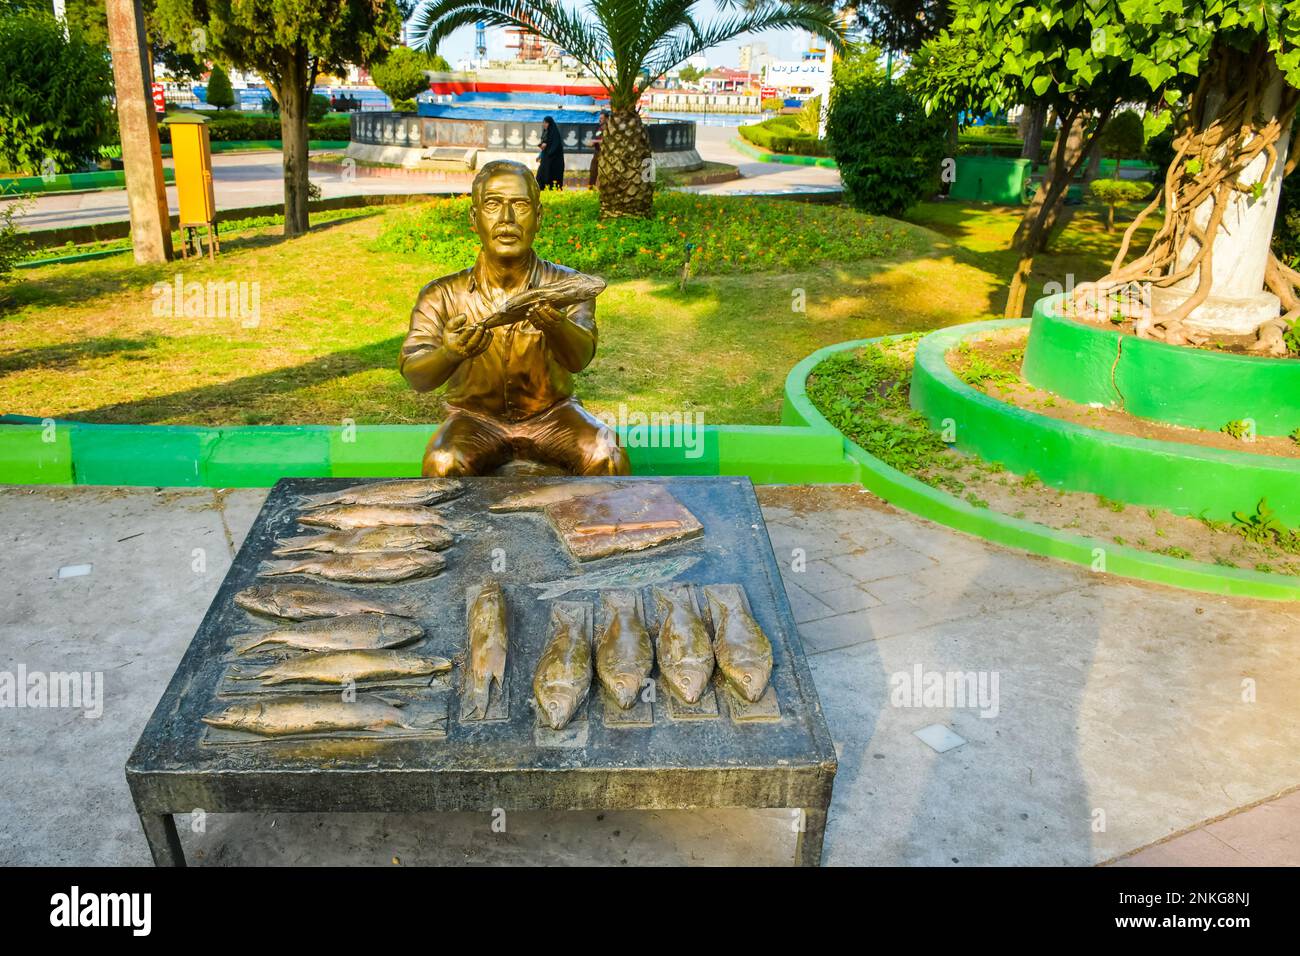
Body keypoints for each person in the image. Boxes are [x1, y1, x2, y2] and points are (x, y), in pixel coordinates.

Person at [399, 160, 630, 477]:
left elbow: (579, 359)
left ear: (538, 217)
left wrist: (556, 326)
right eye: (493, 204)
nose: (506, 219)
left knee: (608, 454)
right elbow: (415, 375)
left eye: (519, 205)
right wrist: (448, 354)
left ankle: (597, 528)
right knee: (443, 462)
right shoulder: (442, 294)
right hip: (473, 419)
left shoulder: (569, 287)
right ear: (474, 217)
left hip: (553, 416)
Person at [536, 116, 565, 190]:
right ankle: (541, 190)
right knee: (540, 175)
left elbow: (555, 146)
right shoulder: (545, 132)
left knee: (552, 179)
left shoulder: (554, 133)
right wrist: (540, 155)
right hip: (546, 159)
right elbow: (544, 143)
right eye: (543, 122)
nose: (544, 124)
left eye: (546, 123)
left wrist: (547, 146)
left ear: (550, 124)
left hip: (554, 161)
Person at [589, 111, 608, 189]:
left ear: (607, 119)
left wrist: (595, 141)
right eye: (599, 118)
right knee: (593, 170)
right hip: (597, 152)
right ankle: (590, 188)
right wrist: (592, 143)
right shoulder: (598, 128)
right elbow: (596, 139)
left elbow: (607, 141)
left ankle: (604, 189)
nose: (599, 120)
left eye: (601, 118)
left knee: (604, 172)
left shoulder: (610, 128)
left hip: (605, 153)